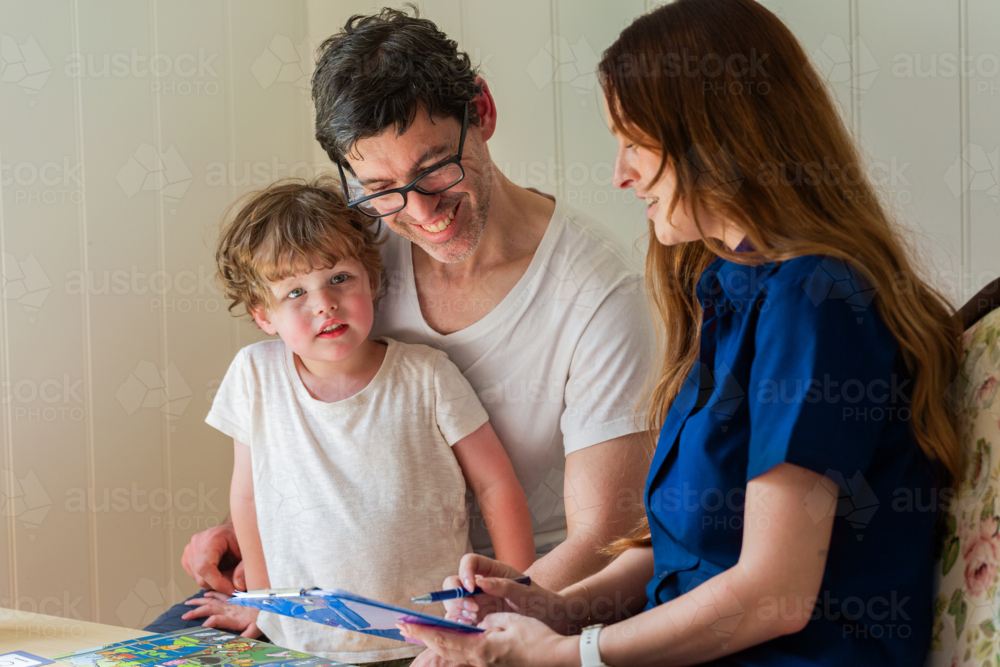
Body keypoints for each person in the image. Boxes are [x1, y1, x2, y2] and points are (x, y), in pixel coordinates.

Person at [398, 0, 963, 665]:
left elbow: (773, 593)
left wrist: (562, 652)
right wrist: (549, 607)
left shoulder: (817, 301)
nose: (619, 173)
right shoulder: (728, 289)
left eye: (635, 142)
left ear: (721, 139)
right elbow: (683, 553)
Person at [169, 6, 656, 652]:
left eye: (434, 170)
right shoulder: (355, 256)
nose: (420, 212)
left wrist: (484, 620)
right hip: (344, 601)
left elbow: (603, 535)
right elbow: (313, 413)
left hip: (520, 603)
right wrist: (244, 532)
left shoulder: (598, 296)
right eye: (381, 188)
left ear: (480, 112)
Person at [205, 178, 535, 665]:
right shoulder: (254, 375)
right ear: (263, 315)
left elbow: (495, 485)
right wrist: (262, 601)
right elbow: (248, 494)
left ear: (372, 279)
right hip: (302, 638)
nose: (324, 304)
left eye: (339, 278)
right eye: (295, 291)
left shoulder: (427, 375)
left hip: (431, 637)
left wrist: (519, 596)